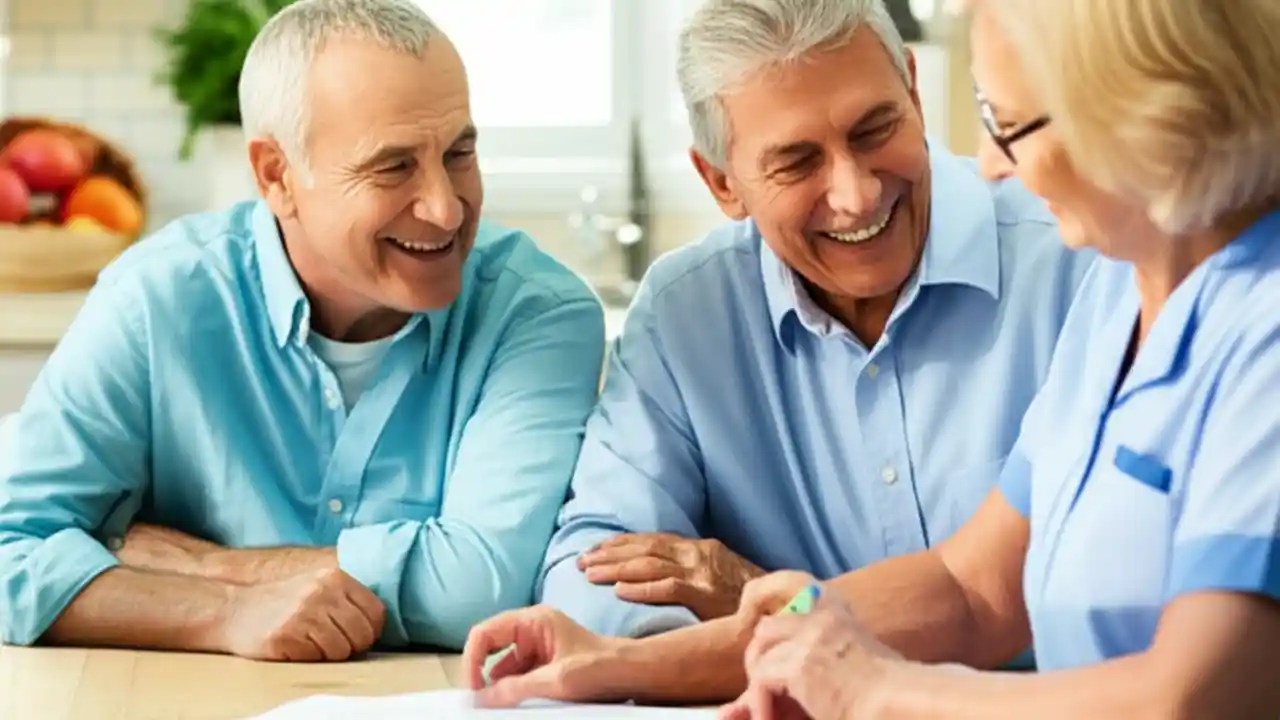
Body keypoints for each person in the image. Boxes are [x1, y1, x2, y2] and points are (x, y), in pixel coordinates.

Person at [461, 0, 1280, 715]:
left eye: (1010, 123)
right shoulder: (1119, 293)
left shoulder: (1220, 305)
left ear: (1140, 110)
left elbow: (1197, 697)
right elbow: (972, 588)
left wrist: (875, 692)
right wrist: (626, 662)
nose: (991, 164)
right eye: (985, 120)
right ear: (721, 182)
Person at [0, 0, 604, 661]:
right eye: (393, 166)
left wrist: (194, 566)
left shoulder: (537, 313)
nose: (445, 206)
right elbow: (11, 551)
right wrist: (224, 613)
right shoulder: (156, 300)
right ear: (277, 176)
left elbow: (479, 588)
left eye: (459, 152)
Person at [538, 0, 1091, 638]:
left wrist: (768, 606)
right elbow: (594, 570)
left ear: (912, 90)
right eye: (797, 163)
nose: (856, 196)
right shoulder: (686, 316)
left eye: (875, 130)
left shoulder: (1077, 260)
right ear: (721, 183)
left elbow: (1103, 586)